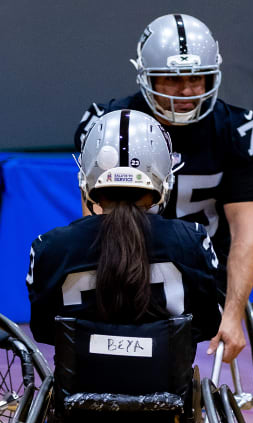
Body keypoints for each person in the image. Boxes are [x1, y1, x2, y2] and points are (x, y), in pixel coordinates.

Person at [75, 14, 253, 365]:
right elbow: (96, 223)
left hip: (205, 274)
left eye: (196, 77)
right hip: (129, 266)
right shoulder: (111, 124)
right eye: (174, 79)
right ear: (146, 76)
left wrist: (233, 312)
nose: (188, 91)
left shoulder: (234, 129)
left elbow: (245, 232)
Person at [28, 108, 224, 343]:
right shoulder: (191, 240)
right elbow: (208, 324)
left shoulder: (50, 247)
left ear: (88, 182)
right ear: (163, 181)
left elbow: (43, 331)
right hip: (166, 367)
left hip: (82, 367)